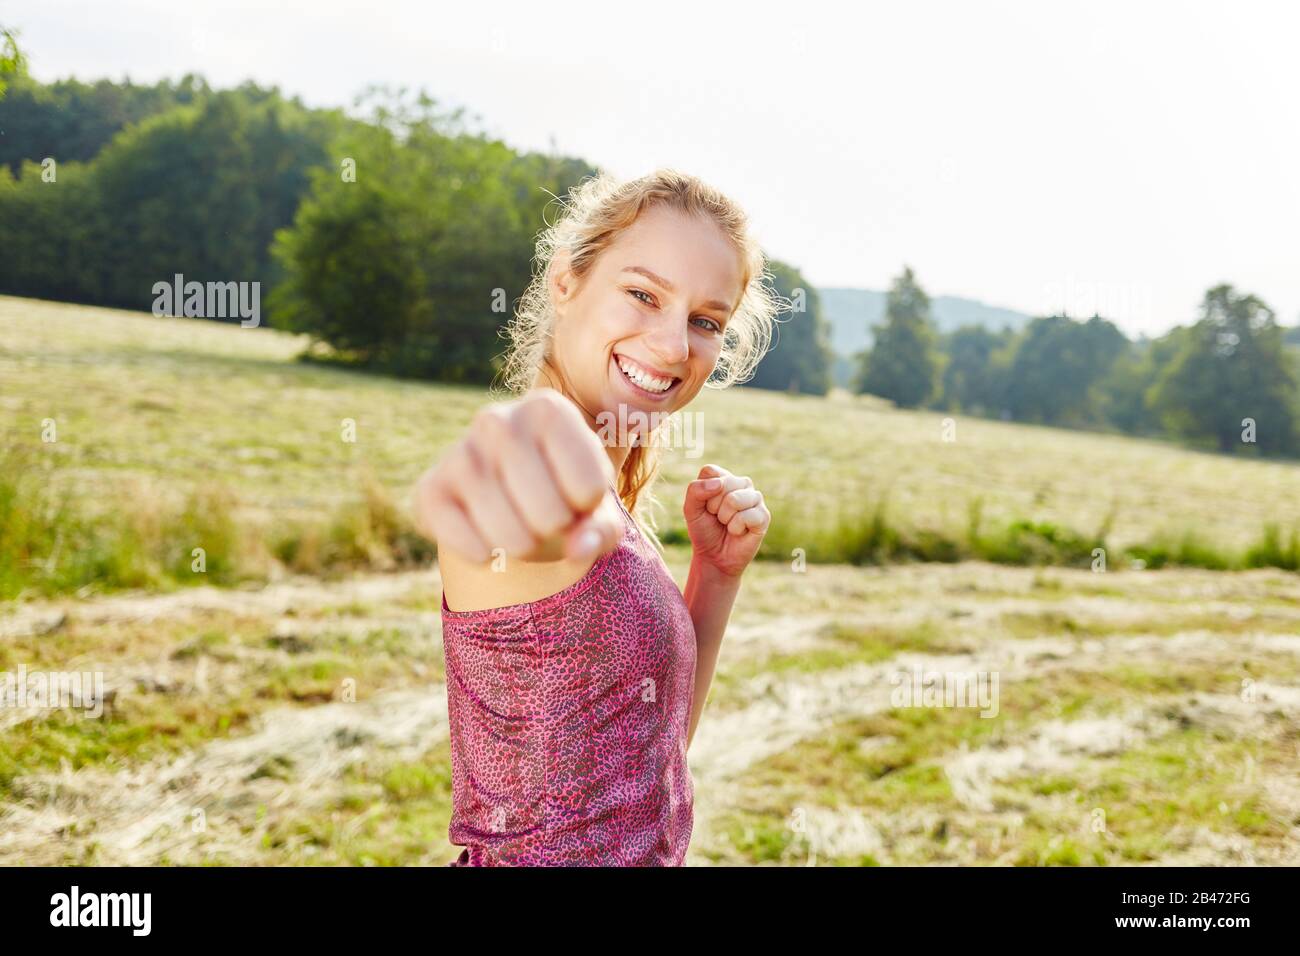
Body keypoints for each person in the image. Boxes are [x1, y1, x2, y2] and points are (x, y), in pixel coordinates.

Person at [412, 168, 782, 865]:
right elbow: (529, 460)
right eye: (643, 295)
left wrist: (717, 575)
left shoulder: (619, 503)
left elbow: (652, 749)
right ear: (565, 282)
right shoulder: (550, 437)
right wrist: (519, 476)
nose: (674, 346)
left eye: (705, 321)